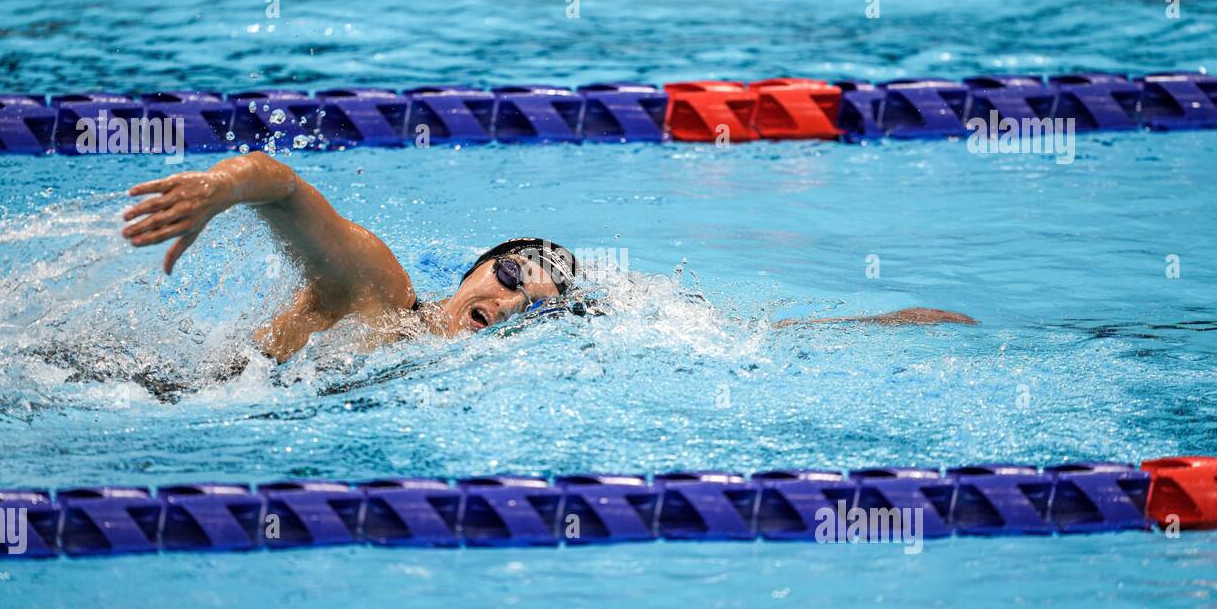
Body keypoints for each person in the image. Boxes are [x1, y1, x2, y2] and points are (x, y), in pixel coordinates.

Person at [121, 150, 973, 363]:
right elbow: (283, 186)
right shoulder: (376, 291)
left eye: (540, 306)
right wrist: (220, 190)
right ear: (468, 274)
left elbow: (732, 337)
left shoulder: (457, 370)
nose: (518, 301)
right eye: (513, 275)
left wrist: (883, 321)